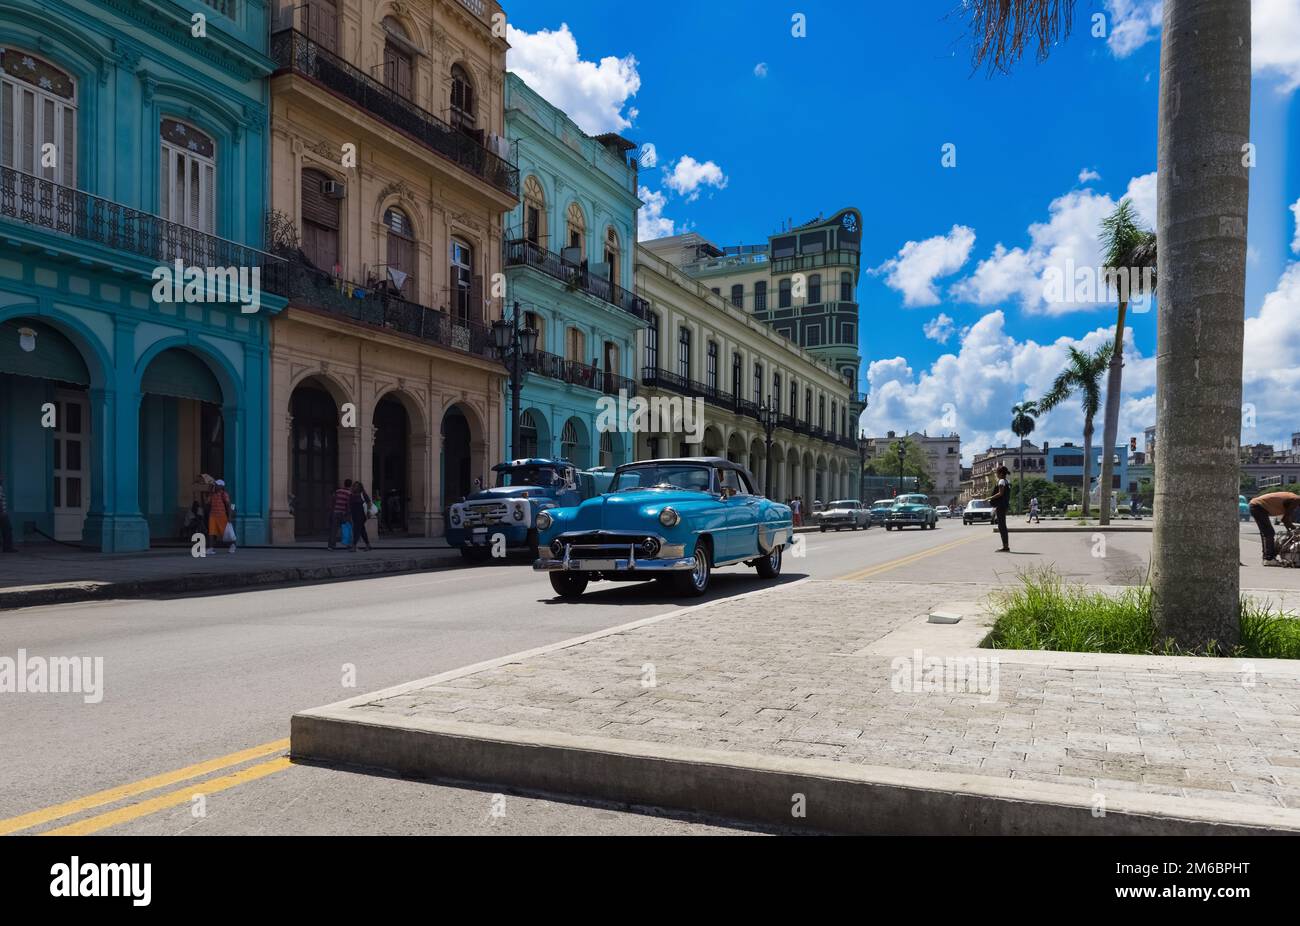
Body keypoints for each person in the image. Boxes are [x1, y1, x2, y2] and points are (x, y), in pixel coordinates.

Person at [1248, 490, 1299, 564]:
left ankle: (1268, 557)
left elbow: (1286, 520)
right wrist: (1294, 529)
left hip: (1255, 505)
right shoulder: (1296, 500)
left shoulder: (1293, 498)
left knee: (1266, 533)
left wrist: (1291, 529)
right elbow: (1285, 519)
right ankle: (1269, 559)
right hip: (1258, 506)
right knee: (1269, 533)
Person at [987, 465, 1011, 552]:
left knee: (1002, 526)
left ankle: (1005, 546)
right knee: (1002, 525)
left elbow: (1000, 493)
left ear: (1000, 473)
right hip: (1004, 505)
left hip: (1001, 506)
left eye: (997, 472)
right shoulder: (1007, 481)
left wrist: (990, 498)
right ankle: (1005, 545)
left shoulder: (1001, 481)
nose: (996, 474)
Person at [208, 479, 234, 554]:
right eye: (215, 484)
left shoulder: (224, 494)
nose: (215, 486)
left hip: (221, 515)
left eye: (217, 485)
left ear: (221, 486)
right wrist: (209, 491)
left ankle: (232, 545)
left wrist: (229, 516)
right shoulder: (212, 494)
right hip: (212, 515)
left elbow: (228, 505)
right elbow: (208, 503)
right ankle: (211, 548)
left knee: (225, 533)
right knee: (211, 532)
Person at [349, 481, 374, 552]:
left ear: (360, 487)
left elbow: (369, 502)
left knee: (356, 530)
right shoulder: (351, 495)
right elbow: (350, 506)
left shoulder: (362, 494)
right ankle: (368, 545)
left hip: (361, 515)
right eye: (354, 485)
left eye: (357, 486)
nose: (355, 487)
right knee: (362, 530)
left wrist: (369, 511)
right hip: (354, 515)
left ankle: (354, 546)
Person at [328, 479, 352, 550]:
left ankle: (331, 546)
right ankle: (348, 544)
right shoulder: (349, 493)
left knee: (333, 529)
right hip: (343, 513)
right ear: (350, 485)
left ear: (344, 484)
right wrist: (348, 514)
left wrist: (332, 511)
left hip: (335, 512)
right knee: (347, 528)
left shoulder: (338, 491)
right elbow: (348, 504)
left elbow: (333, 501)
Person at [0, 472, 15, 553]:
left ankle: (7, 547)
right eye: (1, 477)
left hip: (2, 512)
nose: (2, 478)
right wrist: (2, 512)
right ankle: (7, 548)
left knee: (6, 529)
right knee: (7, 529)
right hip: (2, 513)